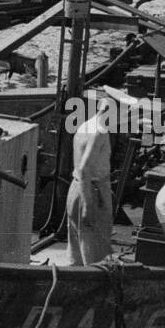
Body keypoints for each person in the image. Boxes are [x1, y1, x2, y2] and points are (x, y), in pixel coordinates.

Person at [66, 87, 133, 265]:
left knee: (77, 252)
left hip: (76, 190)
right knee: (95, 257)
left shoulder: (84, 126)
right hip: (91, 192)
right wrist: (88, 204)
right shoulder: (100, 132)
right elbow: (84, 169)